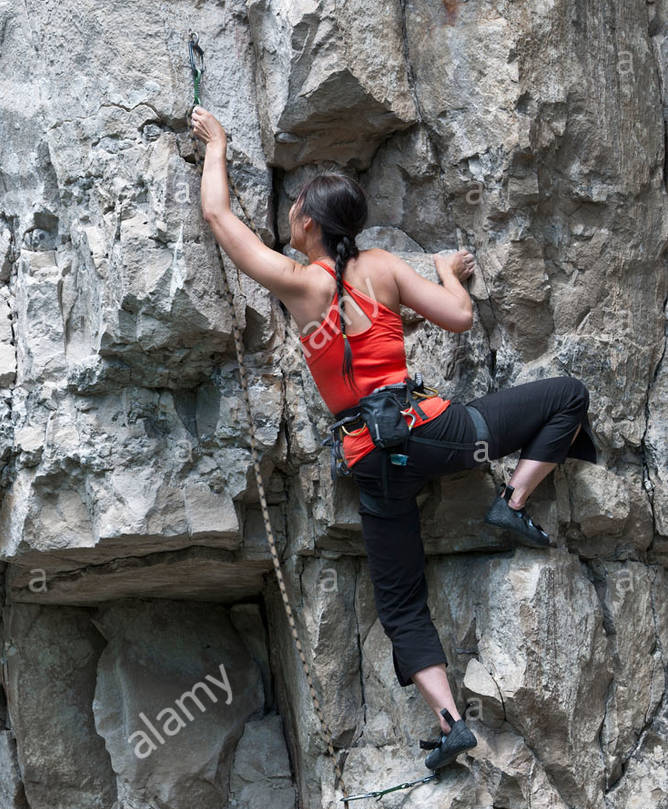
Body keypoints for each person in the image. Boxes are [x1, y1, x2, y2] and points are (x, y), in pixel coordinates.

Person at [190, 106, 598, 769]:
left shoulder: (301, 285)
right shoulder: (380, 269)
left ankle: (451, 722)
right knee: (567, 396)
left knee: (401, 600)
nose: (288, 216)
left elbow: (219, 219)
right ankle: (513, 502)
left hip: (371, 460)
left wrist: (216, 146)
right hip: (434, 434)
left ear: (311, 226)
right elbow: (460, 317)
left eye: (295, 210)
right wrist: (444, 269)